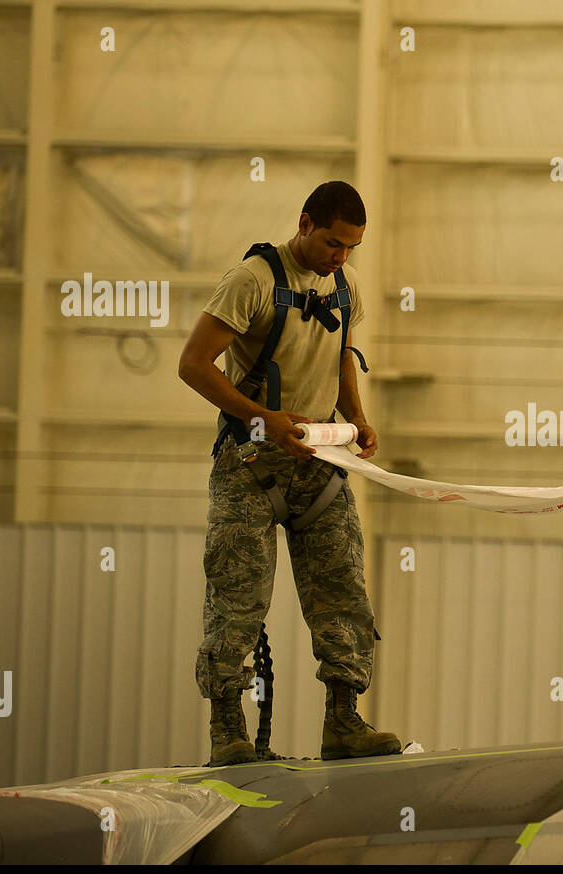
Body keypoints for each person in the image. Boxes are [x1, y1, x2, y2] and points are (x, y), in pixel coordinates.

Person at [178, 181, 401, 764]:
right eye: (332, 242)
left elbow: (342, 356)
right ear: (304, 223)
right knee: (237, 599)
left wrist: (357, 418)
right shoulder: (251, 281)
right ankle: (229, 733)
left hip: (319, 467)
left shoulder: (345, 287)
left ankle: (343, 723)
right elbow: (193, 364)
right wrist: (263, 419)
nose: (340, 257)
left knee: (344, 592)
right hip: (249, 461)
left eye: (351, 247)